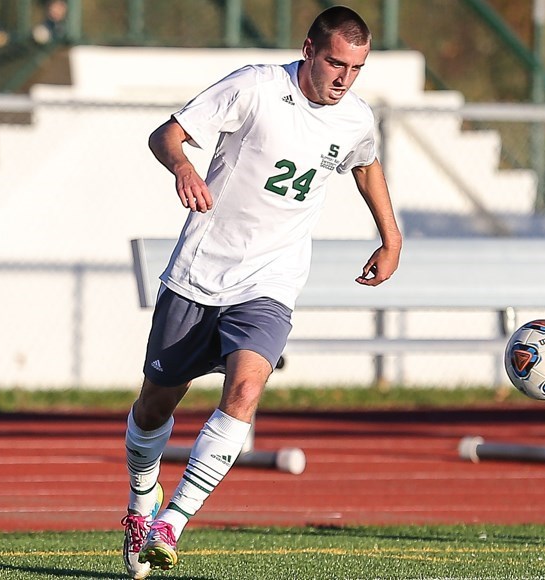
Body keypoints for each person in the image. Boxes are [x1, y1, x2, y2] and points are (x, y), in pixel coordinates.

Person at [120, 6, 402, 578]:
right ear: (308, 50)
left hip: (271, 281)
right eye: (335, 63)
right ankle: (141, 501)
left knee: (246, 389)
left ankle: (172, 523)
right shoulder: (255, 87)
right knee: (154, 406)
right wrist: (183, 167)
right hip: (201, 273)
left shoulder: (355, 119)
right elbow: (166, 134)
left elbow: (366, 166)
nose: (344, 78)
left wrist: (391, 238)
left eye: (357, 67)